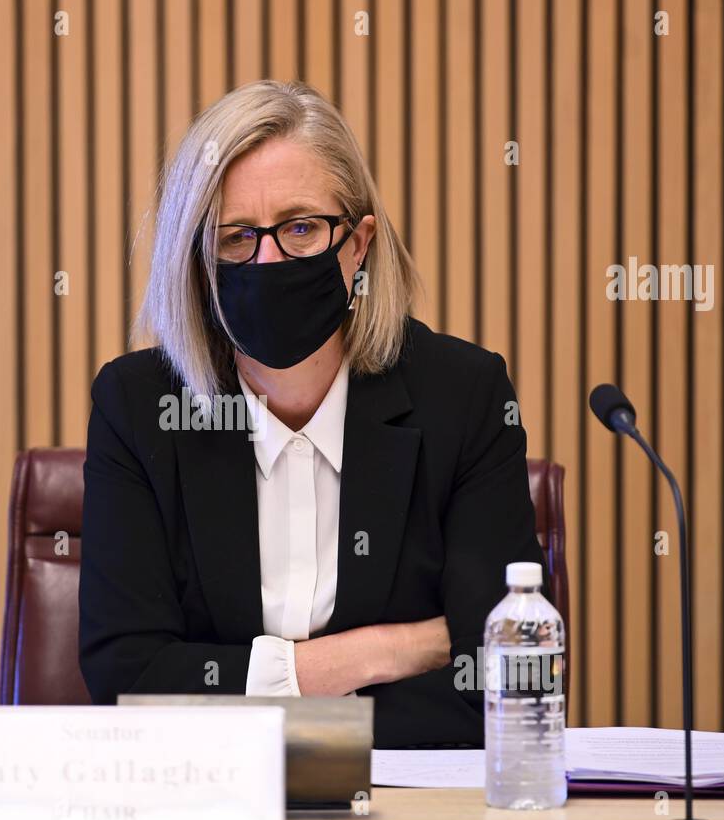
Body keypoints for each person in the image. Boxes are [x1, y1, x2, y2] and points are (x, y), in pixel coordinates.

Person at [78, 80, 545, 748]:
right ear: (197, 262)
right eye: (236, 237)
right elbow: (129, 680)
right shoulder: (141, 407)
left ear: (357, 245)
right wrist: (386, 652)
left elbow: (505, 684)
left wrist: (250, 698)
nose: (267, 260)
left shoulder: (461, 396)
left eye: (300, 228)